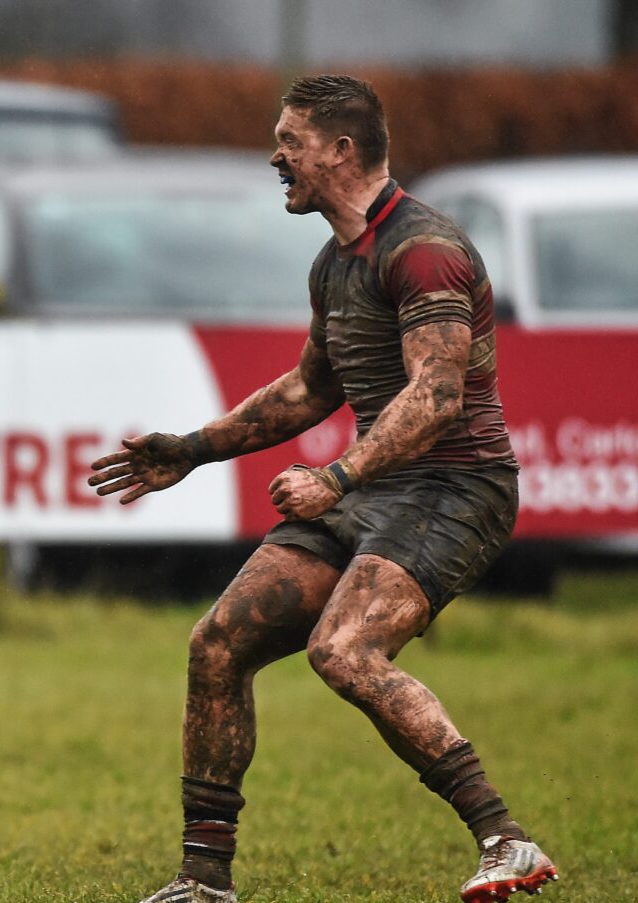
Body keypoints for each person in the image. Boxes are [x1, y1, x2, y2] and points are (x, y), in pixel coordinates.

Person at [89, 75, 558, 903]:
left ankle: (506, 839)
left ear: (341, 150)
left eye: (290, 141)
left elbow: (438, 396)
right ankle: (204, 879)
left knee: (343, 650)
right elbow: (311, 389)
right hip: (375, 492)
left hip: (456, 488)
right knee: (217, 643)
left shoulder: (424, 250)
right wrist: (193, 449)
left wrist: (335, 475)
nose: (276, 157)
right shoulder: (335, 261)